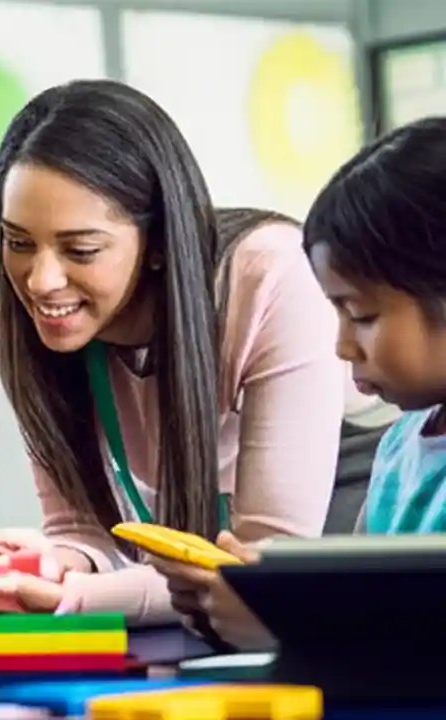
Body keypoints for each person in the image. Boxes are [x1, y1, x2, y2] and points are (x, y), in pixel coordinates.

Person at [0, 79, 345, 624]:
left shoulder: (273, 278)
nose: (39, 281)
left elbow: (259, 575)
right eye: (18, 242)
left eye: (80, 249)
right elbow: (84, 533)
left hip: (334, 562)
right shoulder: (43, 324)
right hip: (199, 613)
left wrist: (76, 600)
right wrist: (54, 564)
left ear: (157, 242)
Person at [151, 116, 446, 649]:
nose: (342, 346)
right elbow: (363, 595)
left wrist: (292, 626)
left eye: (361, 314)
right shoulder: (403, 442)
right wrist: (269, 596)